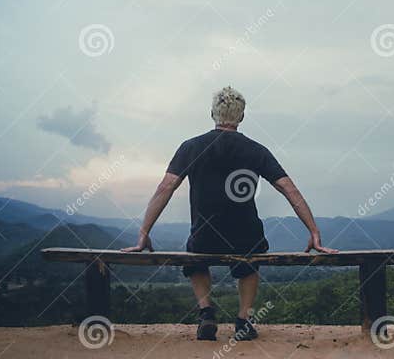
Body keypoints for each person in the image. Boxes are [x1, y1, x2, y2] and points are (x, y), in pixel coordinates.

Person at [122, 86, 337, 341]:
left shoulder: (191, 147)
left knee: (194, 254)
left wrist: (144, 232)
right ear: (242, 116)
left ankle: (206, 312)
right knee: (253, 252)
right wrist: (313, 232)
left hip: (204, 237)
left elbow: (165, 187)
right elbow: (288, 188)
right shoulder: (256, 150)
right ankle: (243, 319)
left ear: (212, 113)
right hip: (245, 239)